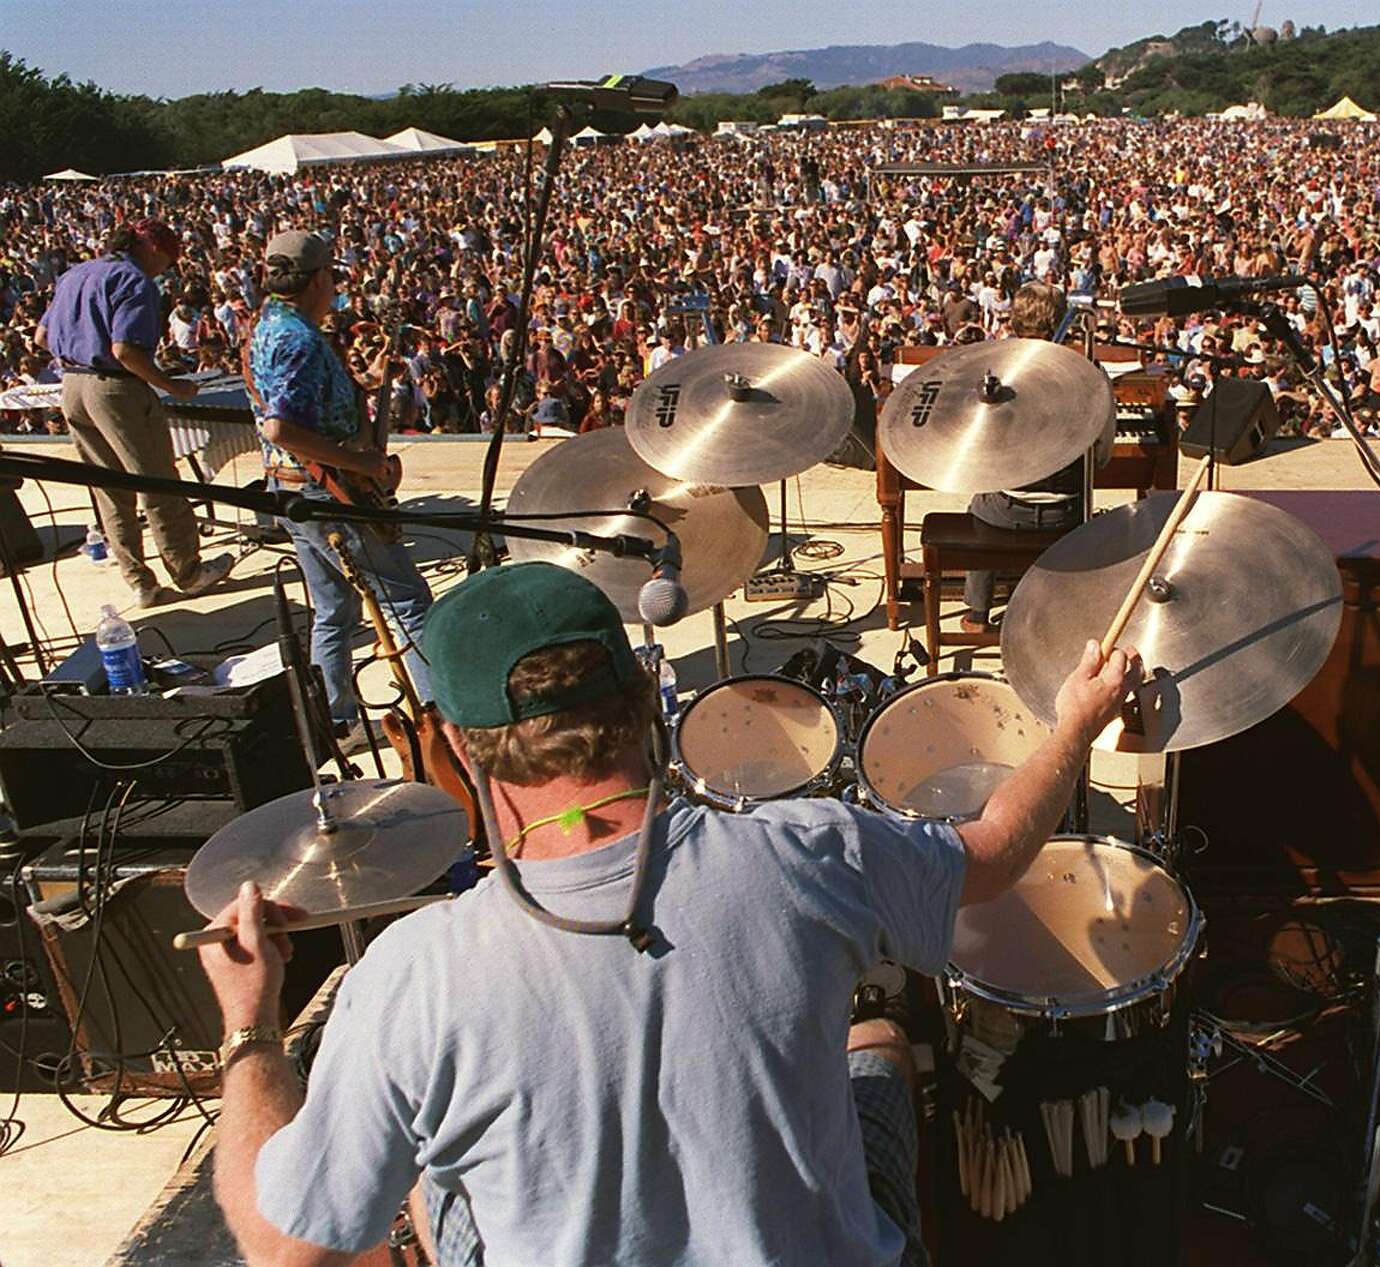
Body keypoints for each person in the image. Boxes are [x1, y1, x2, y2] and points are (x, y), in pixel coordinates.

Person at [194, 560, 1143, 1266]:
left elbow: (288, 1247)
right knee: (880, 1044)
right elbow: (993, 852)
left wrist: (250, 1026)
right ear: (648, 698)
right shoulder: (810, 852)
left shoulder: (411, 976)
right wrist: (1075, 722)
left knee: (424, 1179)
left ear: (455, 745)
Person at [245, 230, 436, 749]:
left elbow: (306, 403)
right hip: (327, 493)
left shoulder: (271, 322)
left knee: (333, 610)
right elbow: (281, 427)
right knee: (407, 603)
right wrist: (361, 462)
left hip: (290, 490)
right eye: (332, 276)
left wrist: (365, 382)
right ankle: (442, 725)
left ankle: (336, 720)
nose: (335, 287)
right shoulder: (299, 340)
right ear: (317, 279)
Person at [36, 219, 233, 608]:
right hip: (115, 389)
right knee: (157, 481)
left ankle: (139, 582)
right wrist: (171, 386)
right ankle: (188, 571)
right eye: (168, 261)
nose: (164, 271)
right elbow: (125, 350)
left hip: (71, 386)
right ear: (154, 249)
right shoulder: (134, 281)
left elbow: (42, 337)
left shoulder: (75, 274)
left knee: (109, 487)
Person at [960, 281, 1113, 632]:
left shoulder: (999, 371)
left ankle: (978, 612)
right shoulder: (1090, 368)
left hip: (1007, 508)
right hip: (1069, 509)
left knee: (976, 506)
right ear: (1062, 320)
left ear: (1014, 322)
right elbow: (1103, 451)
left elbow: (980, 451)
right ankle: (1059, 605)